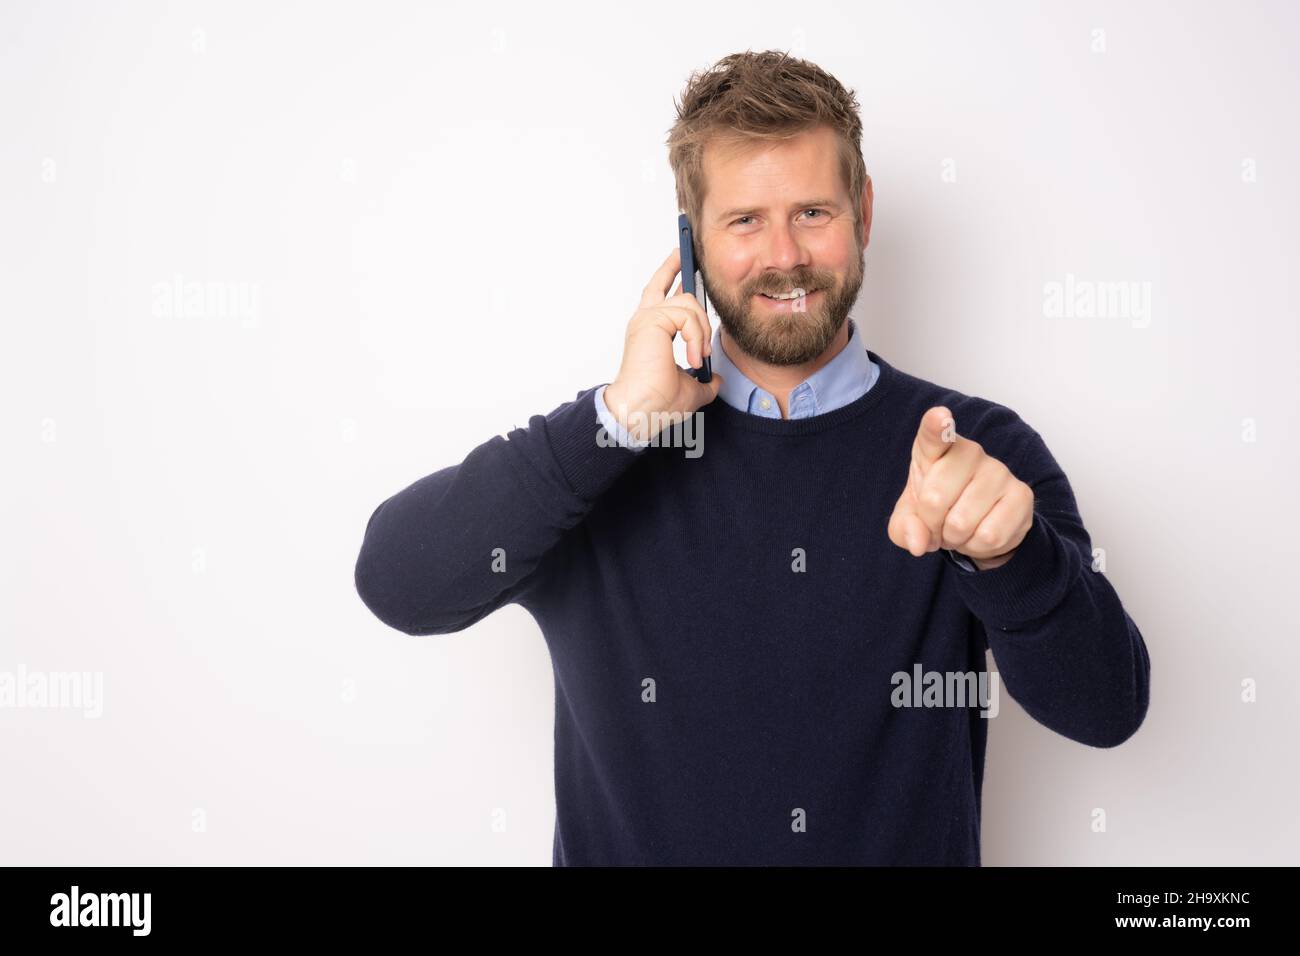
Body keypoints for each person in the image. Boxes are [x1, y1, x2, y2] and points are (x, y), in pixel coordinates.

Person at [353, 50, 1151, 866]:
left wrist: (1011, 557)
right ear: (691, 239)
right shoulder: (599, 459)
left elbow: (1107, 708)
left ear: (864, 212)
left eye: (813, 212)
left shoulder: (974, 453)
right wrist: (616, 421)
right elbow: (397, 581)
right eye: (743, 221)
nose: (785, 256)